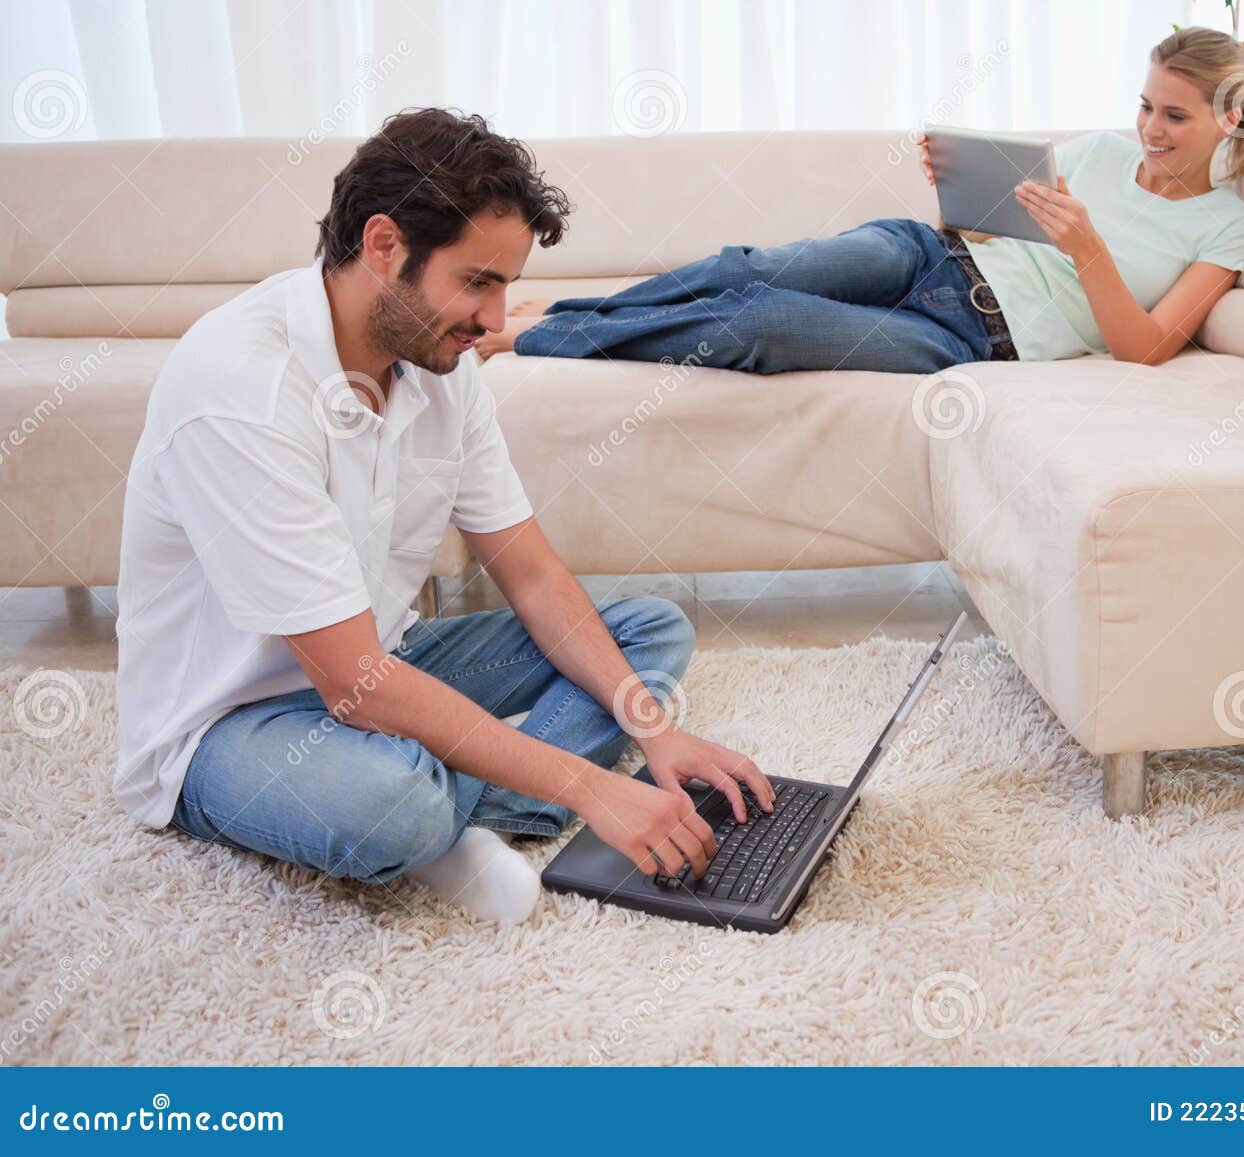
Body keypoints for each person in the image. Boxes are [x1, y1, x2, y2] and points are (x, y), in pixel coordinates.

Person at [114, 108, 773, 924]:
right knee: (393, 801)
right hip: (232, 722)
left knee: (648, 633)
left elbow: (528, 568)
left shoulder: (439, 366)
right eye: (478, 281)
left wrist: (655, 731)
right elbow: (351, 683)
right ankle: (438, 825)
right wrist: (593, 784)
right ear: (384, 245)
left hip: (385, 659)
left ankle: (449, 813)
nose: (497, 322)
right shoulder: (240, 390)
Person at [474, 26, 1244, 374]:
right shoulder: (1101, 151)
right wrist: (962, 186)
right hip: (929, 254)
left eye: (1174, 115)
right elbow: (984, 232)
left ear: (1228, 117)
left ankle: (547, 336)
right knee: (750, 266)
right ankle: (561, 316)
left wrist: (1090, 251)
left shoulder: (1227, 229)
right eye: (1144, 105)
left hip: (968, 337)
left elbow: (1145, 349)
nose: (1149, 130)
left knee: (763, 322)